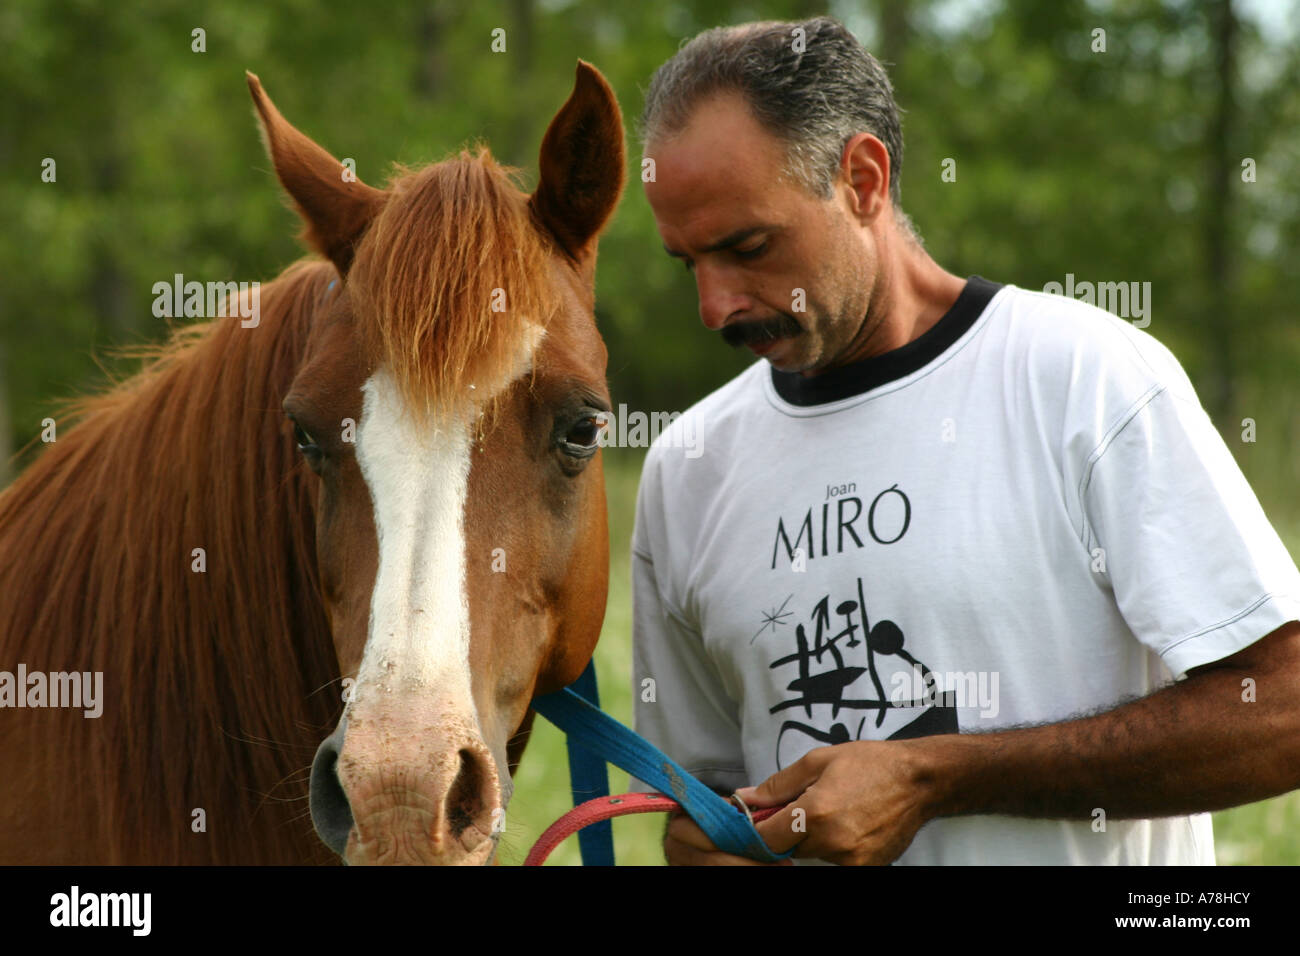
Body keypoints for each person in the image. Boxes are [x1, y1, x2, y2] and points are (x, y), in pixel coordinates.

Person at [628, 15, 1300, 866]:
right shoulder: (687, 468)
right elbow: (704, 796)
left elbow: (1280, 707)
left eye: (748, 246)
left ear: (863, 179)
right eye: (688, 262)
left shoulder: (1083, 379)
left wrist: (939, 776)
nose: (714, 307)